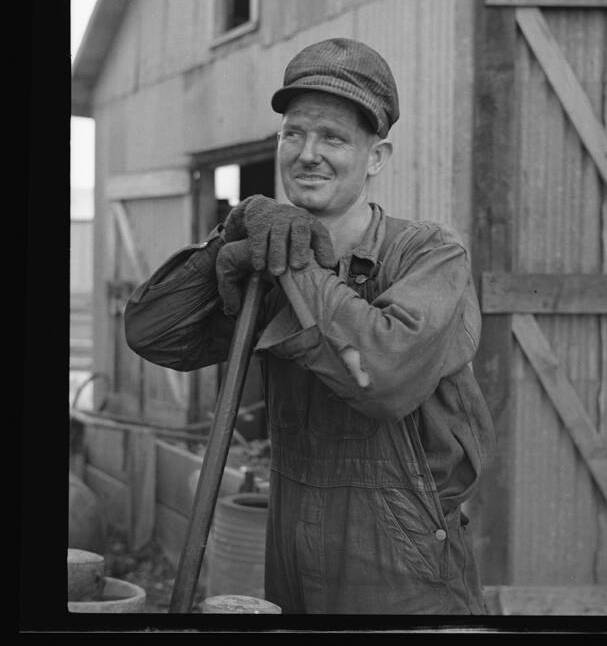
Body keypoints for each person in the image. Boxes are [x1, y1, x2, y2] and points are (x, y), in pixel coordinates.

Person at [124, 38, 495, 615]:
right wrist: (234, 230)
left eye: (334, 138)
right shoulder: (259, 248)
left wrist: (292, 262)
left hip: (402, 567)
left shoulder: (430, 254)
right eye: (293, 133)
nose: (307, 153)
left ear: (376, 157)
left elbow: (384, 375)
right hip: (291, 547)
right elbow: (152, 331)